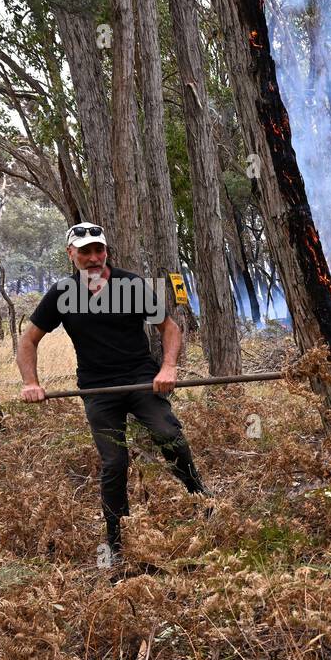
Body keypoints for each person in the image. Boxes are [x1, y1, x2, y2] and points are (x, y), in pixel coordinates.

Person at [17, 223, 208, 563]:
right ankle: (116, 539)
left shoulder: (131, 285)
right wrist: (31, 383)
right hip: (97, 387)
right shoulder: (62, 293)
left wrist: (168, 368)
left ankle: (202, 500)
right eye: (85, 251)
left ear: (106, 251)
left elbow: (170, 329)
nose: (93, 258)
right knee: (114, 461)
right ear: (71, 254)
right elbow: (29, 340)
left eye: (98, 250)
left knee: (168, 434)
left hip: (140, 379)